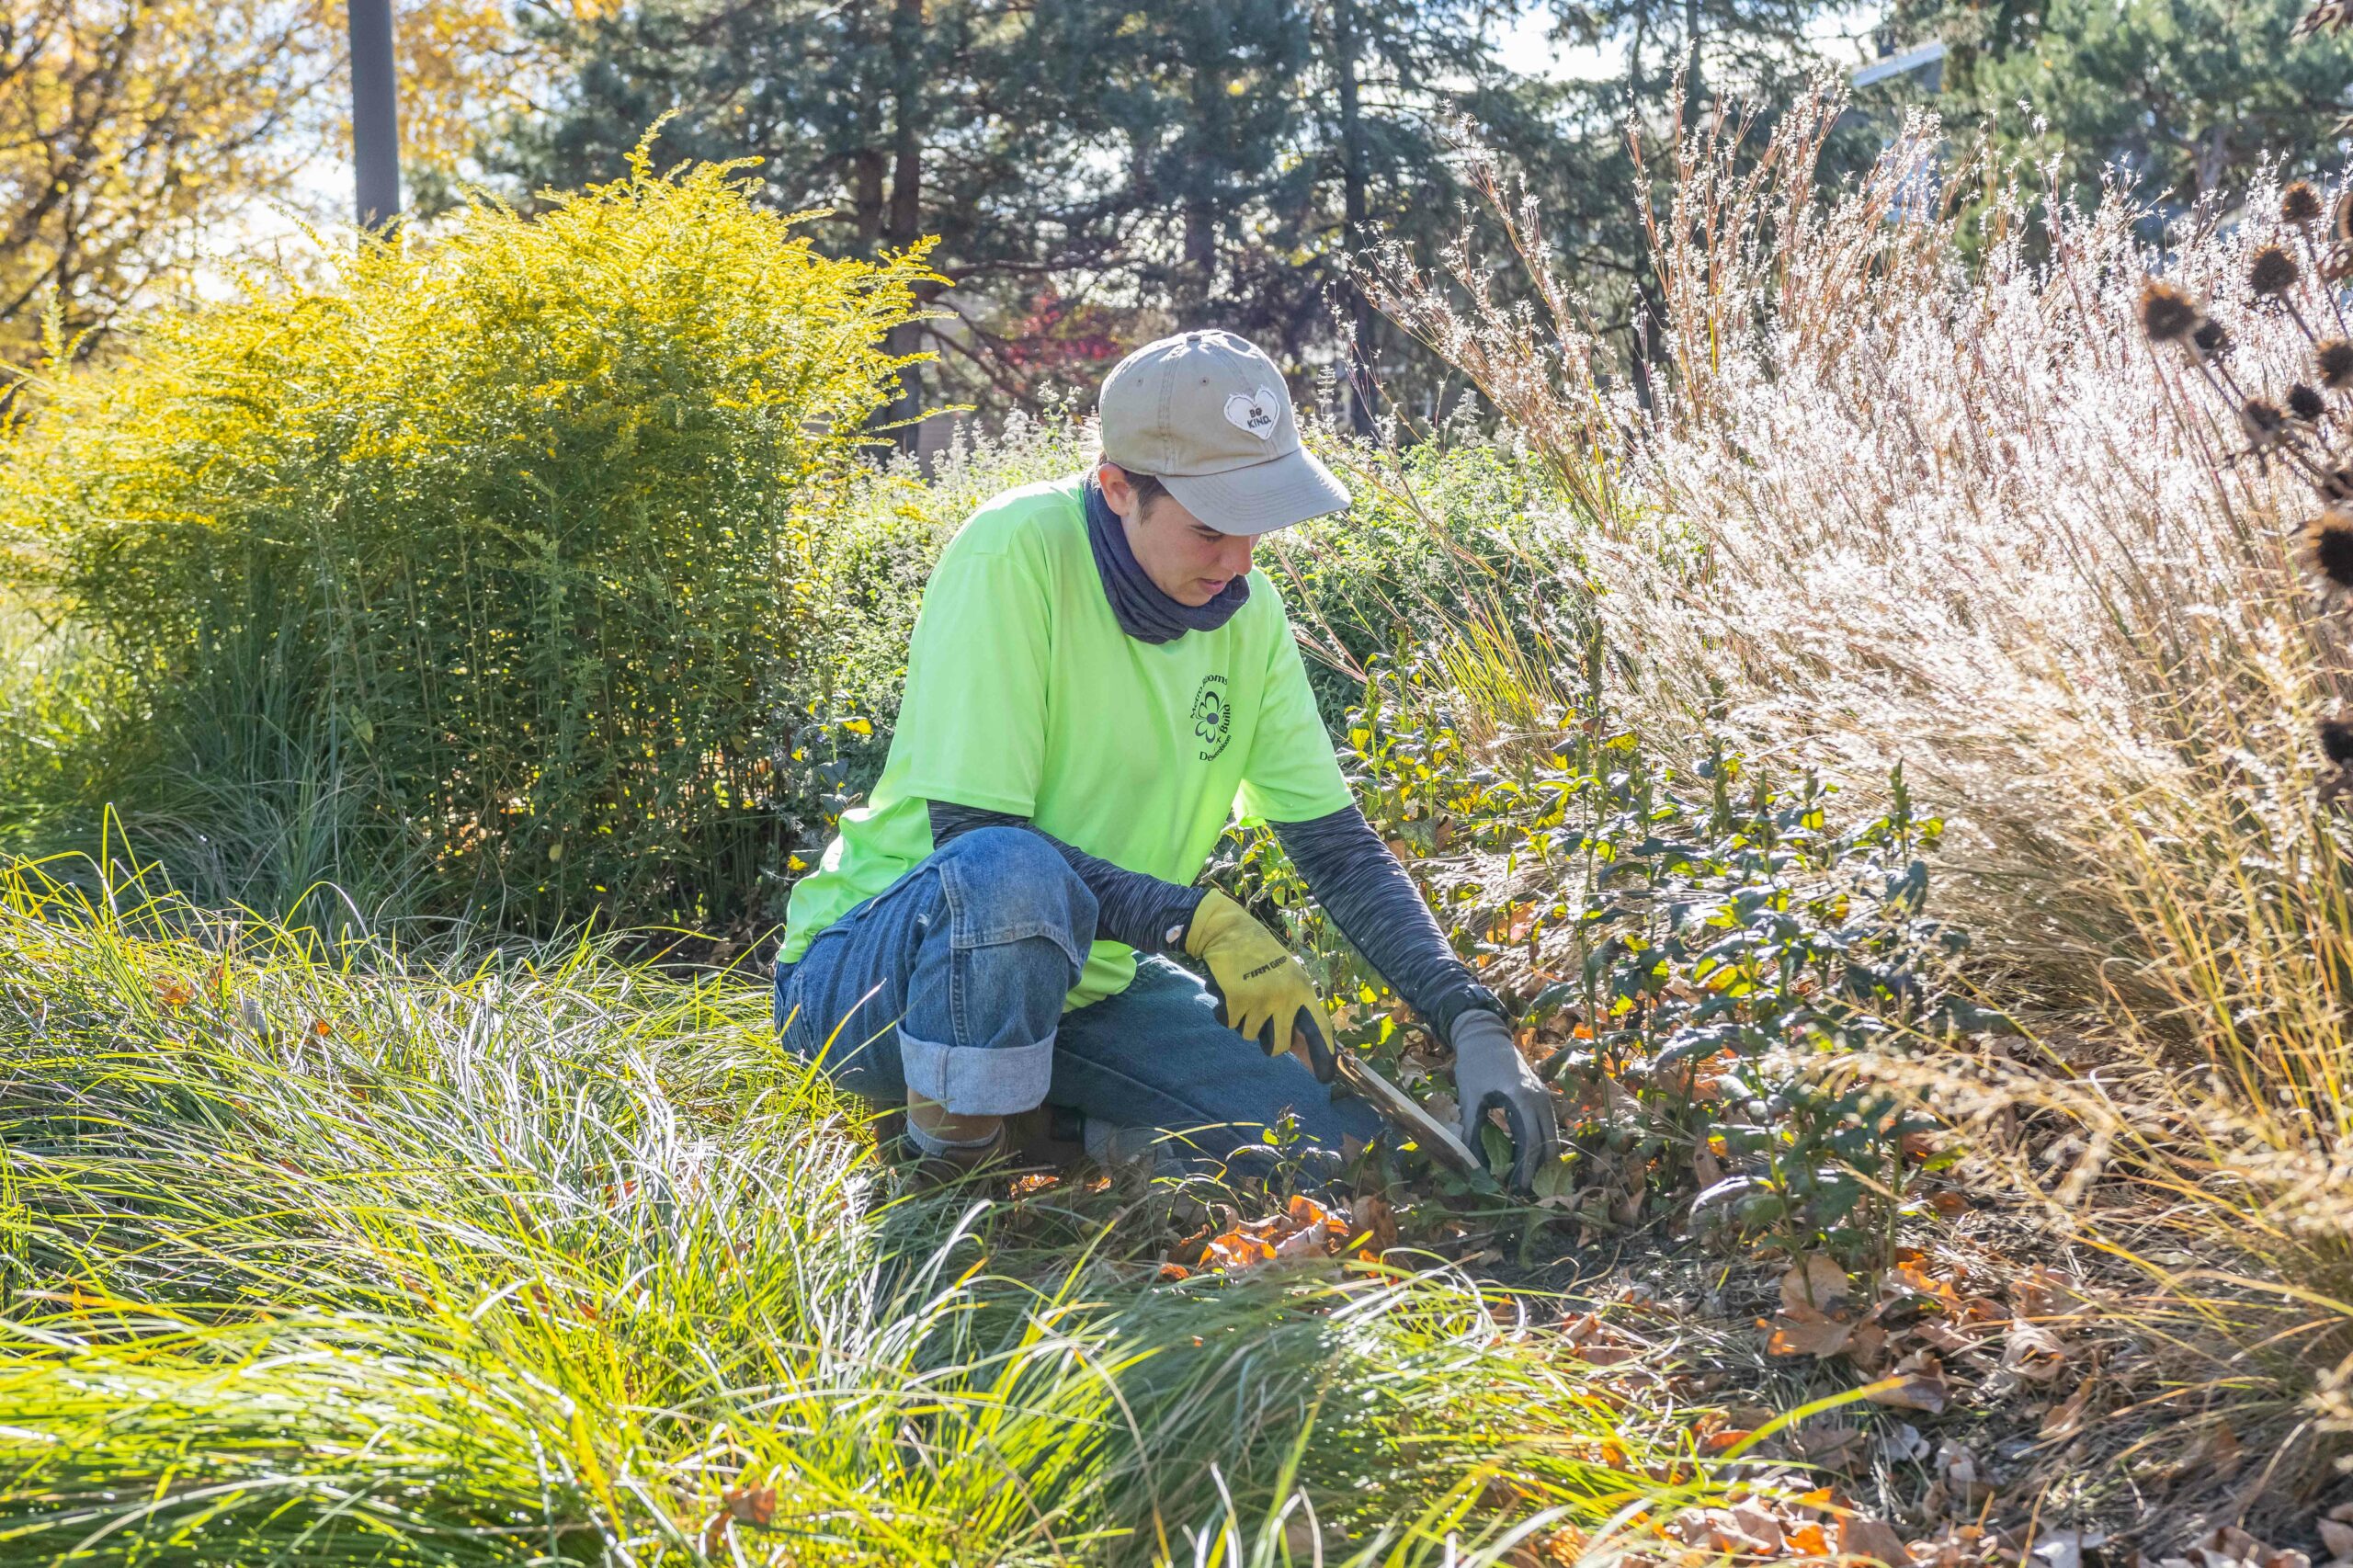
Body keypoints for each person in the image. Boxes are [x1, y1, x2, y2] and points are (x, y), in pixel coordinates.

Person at [773, 330, 1560, 1188]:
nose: (1239, 563)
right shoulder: (1015, 550)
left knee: (1337, 1151)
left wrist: (1471, 1021)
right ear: (1119, 489)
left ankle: (1037, 1118)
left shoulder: (1249, 614)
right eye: (1211, 529)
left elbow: (1337, 850)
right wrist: (1198, 923)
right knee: (1009, 868)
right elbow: (978, 843)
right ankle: (952, 1192)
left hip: (1086, 989)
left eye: (1255, 527)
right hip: (876, 980)